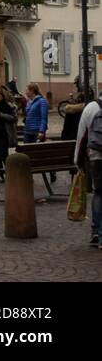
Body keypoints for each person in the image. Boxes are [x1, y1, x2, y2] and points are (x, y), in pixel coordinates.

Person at [73, 94, 101, 249]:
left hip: (95, 157)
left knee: (98, 192)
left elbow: (81, 136)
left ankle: (96, 232)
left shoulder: (90, 107)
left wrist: (78, 160)